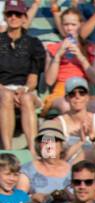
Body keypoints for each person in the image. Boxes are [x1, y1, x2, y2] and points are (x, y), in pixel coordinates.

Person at [0, 0, 42, 154]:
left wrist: (23, 89)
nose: (13, 17)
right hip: (2, 89)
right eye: (10, 13)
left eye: (17, 14)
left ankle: (33, 152)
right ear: (4, 16)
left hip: (24, 88)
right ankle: (8, 151)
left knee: (26, 98)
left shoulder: (33, 43)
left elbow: (33, 76)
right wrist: (5, 90)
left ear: (24, 17)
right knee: (5, 96)